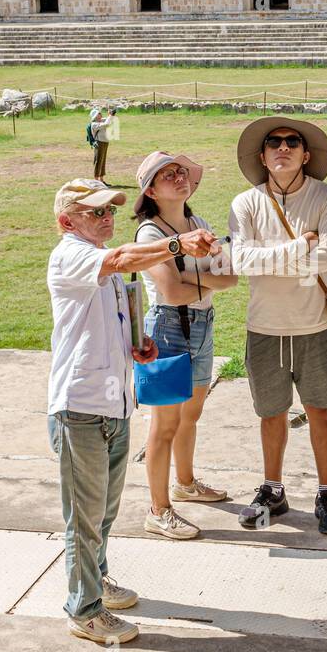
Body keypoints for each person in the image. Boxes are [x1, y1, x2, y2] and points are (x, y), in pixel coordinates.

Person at [48, 177, 219, 644]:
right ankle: (83, 611)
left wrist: (134, 348)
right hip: (78, 408)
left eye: (109, 212)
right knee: (83, 517)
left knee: (103, 511)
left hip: (112, 405)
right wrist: (177, 243)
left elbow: (102, 327)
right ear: (67, 222)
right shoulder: (71, 255)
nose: (106, 219)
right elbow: (123, 257)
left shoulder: (100, 269)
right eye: (95, 213)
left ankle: (96, 581)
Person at [227, 116, 327, 533]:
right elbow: (241, 262)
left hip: (315, 324)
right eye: (273, 143)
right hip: (265, 325)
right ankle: (272, 488)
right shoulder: (246, 203)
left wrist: (272, 256)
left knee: (320, 411)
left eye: (292, 142)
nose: (283, 148)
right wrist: (302, 245)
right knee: (271, 413)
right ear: (262, 156)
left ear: (306, 154)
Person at [132, 151, 238, 540]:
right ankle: (158, 510)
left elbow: (231, 279)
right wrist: (206, 277)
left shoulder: (200, 224)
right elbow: (172, 293)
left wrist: (202, 278)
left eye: (181, 172)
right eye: (167, 175)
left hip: (202, 324)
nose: (179, 178)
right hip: (167, 330)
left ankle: (186, 483)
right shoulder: (151, 234)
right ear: (152, 191)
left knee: (191, 413)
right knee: (164, 425)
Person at [89, 107, 116, 182]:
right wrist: (110, 115)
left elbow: (110, 120)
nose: (100, 114)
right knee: (98, 161)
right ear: (95, 116)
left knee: (103, 161)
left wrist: (112, 113)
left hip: (105, 142)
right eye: (99, 113)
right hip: (99, 143)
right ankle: (96, 180)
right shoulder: (94, 124)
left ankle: (101, 180)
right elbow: (106, 124)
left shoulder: (102, 120)